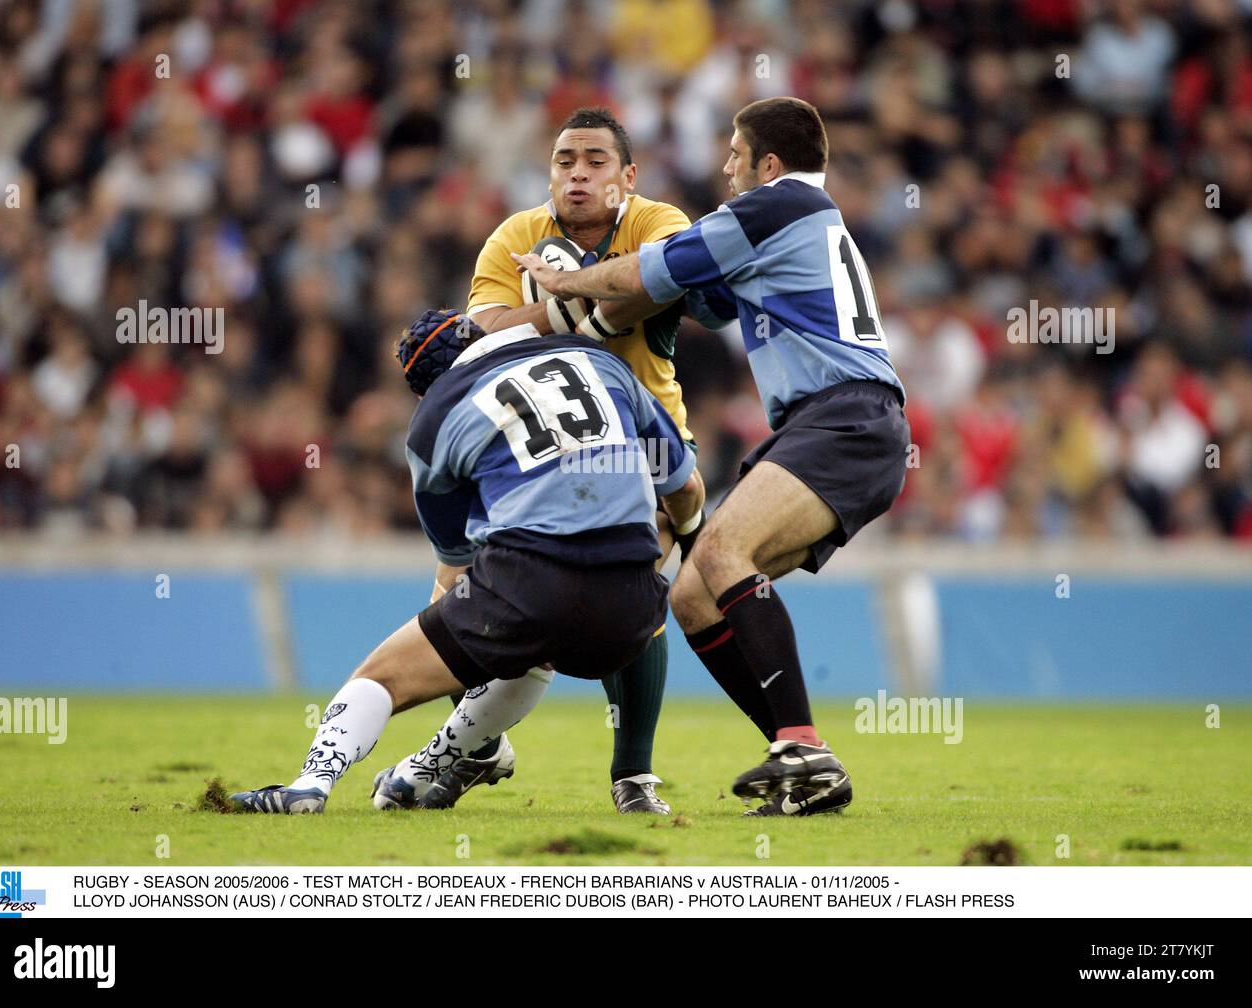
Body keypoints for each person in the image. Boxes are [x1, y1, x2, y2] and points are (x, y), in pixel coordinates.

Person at [514, 97, 911, 816]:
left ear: (768, 164)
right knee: (695, 594)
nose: (724, 167)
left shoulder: (775, 205)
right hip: (830, 425)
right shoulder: (788, 226)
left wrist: (565, 281)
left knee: (725, 552)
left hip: (846, 417)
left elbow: (644, 272)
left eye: (734, 154)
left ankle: (801, 744)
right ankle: (805, 762)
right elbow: (705, 303)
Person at [229, 309, 703, 814]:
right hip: (633, 605)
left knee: (382, 678)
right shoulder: (602, 364)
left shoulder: (437, 414)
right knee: (532, 648)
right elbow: (685, 489)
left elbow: (457, 566)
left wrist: (454, 638)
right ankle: (425, 769)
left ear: (423, 390)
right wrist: (683, 545)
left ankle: (311, 785)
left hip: (529, 581)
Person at [376, 107, 703, 815]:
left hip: (644, 442)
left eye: (593, 161)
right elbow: (482, 332)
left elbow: (659, 281)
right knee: (458, 600)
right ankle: (481, 747)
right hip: (532, 450)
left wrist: (569, 286)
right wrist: (578, 309)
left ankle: (633, 776)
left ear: (627, 176)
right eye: (564, 161)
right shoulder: (515, 235)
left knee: (639, 576)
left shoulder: (657, 220)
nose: (577, 174)